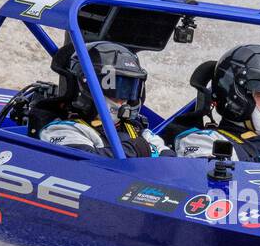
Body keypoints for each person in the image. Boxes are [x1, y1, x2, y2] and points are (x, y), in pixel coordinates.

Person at [39, 41, 173, 158]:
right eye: (113, 90)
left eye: (128, 90)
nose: (122, 99)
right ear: (85, 86)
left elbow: (169, 161)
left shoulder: (137, 131)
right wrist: (136, 150)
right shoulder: (61, 130)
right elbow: (84, 163)